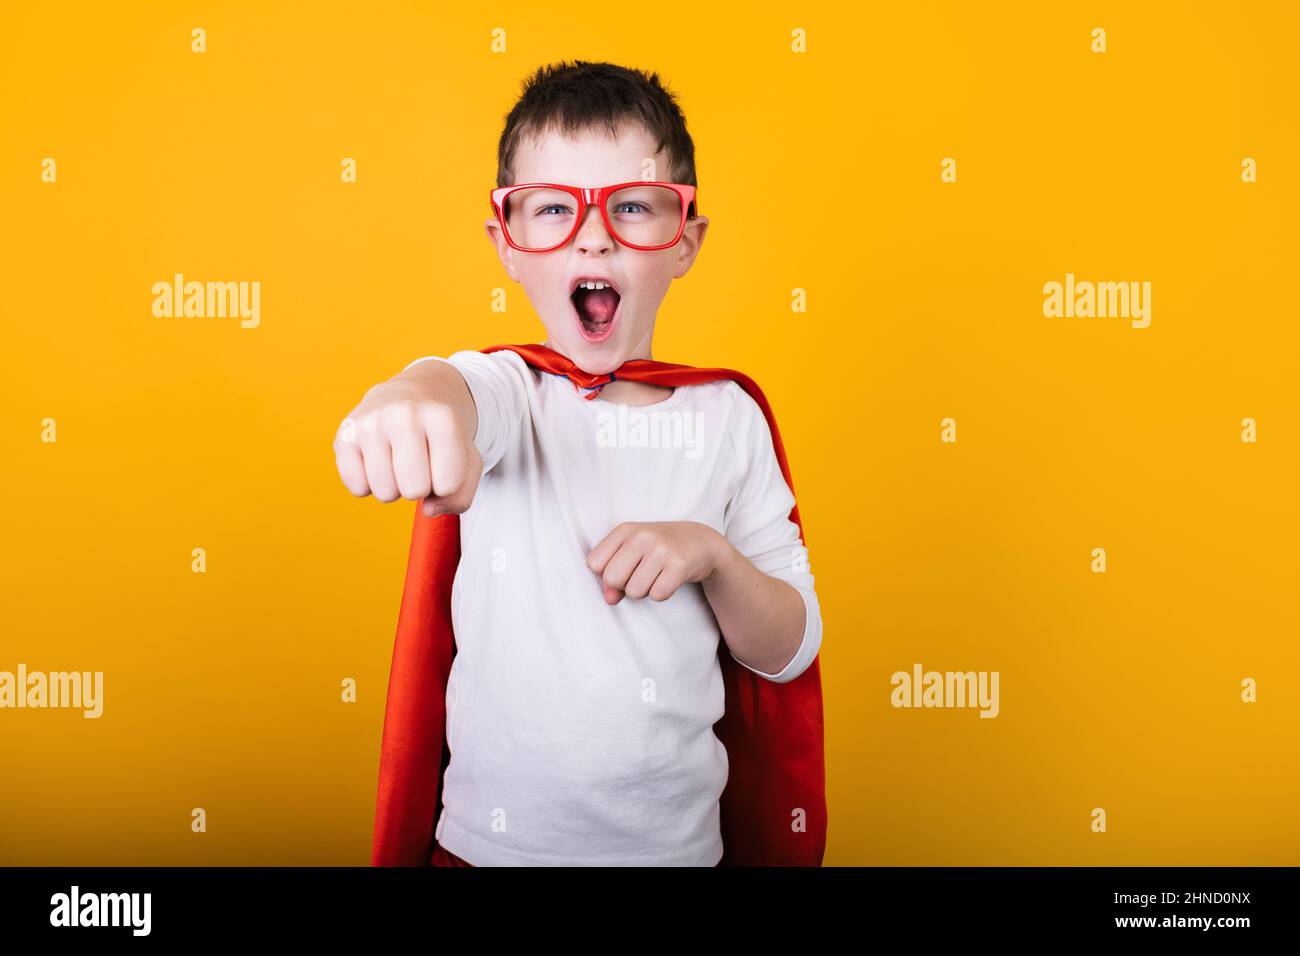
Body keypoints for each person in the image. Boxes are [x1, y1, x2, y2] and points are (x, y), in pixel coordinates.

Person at [334, 61, 823, 866]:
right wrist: (409, 396)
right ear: (509, 244)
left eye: (631, 207)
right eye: (555, 209)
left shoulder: (730, 420)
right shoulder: (508, 394)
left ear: (685, 242)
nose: (593, 235)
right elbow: (452, 385)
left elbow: (788, 648)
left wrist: (712, 555)